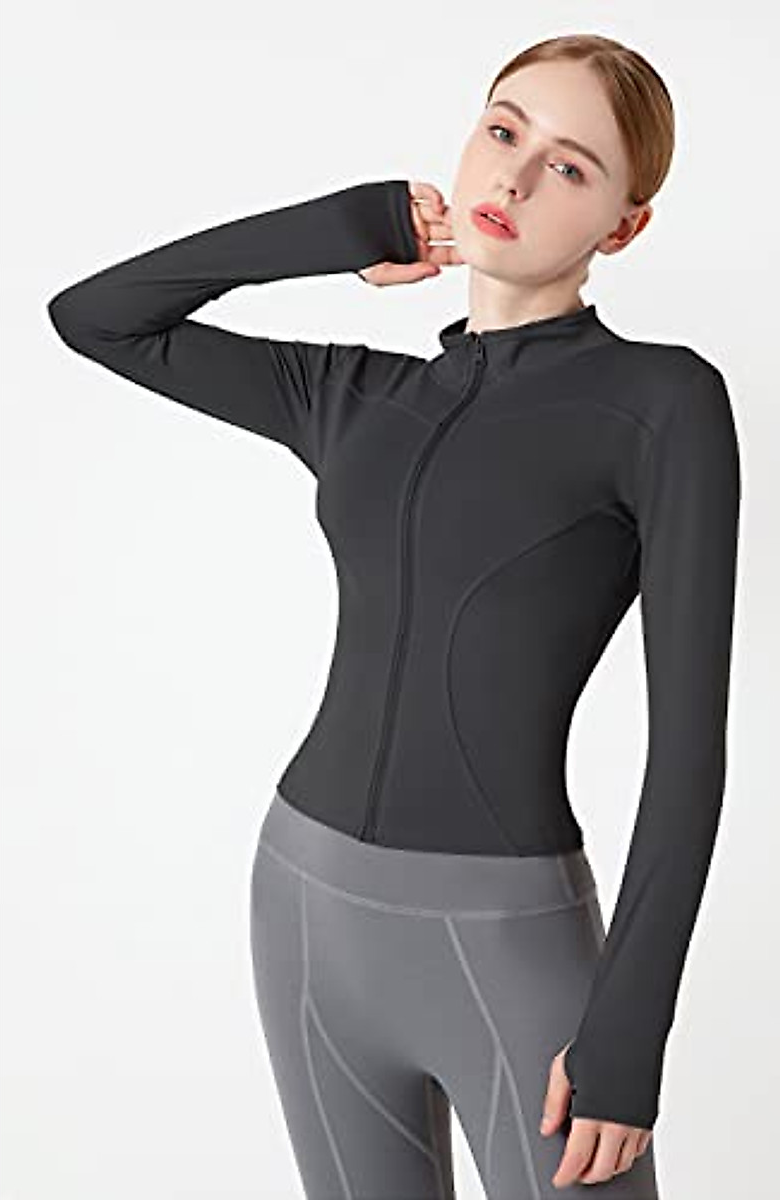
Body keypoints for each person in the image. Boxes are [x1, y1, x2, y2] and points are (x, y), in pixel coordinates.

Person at [47, 32, 741, 1199]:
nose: (515, 177)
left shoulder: (661, 404)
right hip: (304, 906)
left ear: (624, 227)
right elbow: (97, 315)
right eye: (503, 131)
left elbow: (688, 754)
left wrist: (631, 1033)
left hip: (508, 937)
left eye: (570, 167)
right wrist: (335, 230)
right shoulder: (356, 397)